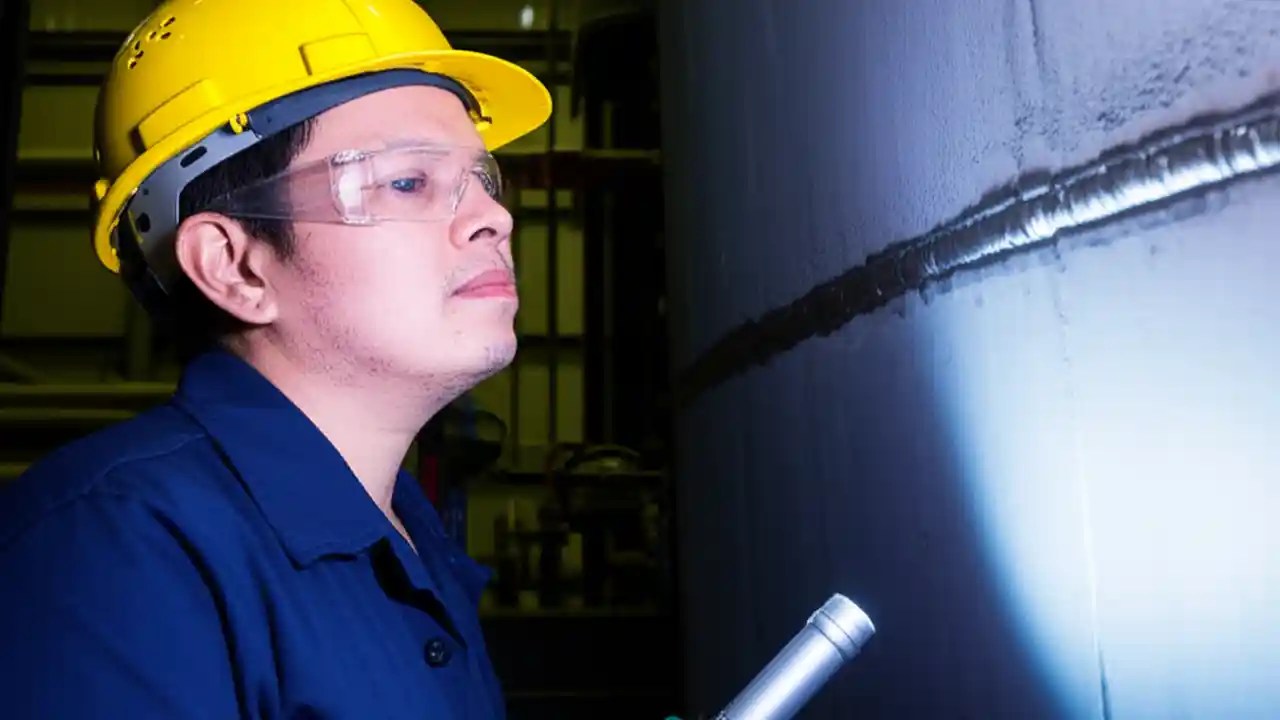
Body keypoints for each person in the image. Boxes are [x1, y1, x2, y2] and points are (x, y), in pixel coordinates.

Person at [0, 0, 550, 717]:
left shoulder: (410, 546)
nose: (492, 217)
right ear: (234, 266)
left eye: (482, 179)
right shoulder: (109, 554)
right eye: (409, 182)